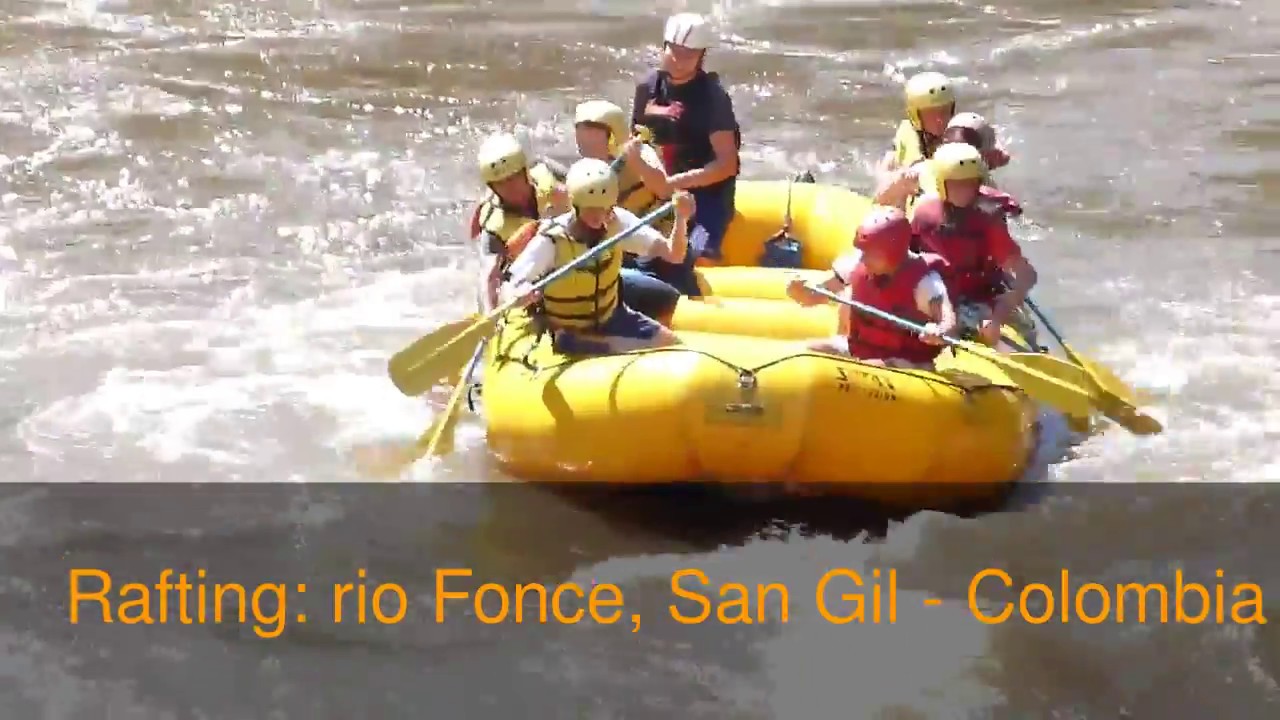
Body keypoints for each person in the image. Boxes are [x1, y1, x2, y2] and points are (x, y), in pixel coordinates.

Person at [500, 158, 696, 355]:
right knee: (626, 350)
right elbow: (510, 285)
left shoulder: (617, 224)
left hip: (614, 318)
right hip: (569, 328)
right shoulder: (551, 240)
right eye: (589, 208)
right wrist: (520, 292)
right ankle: (579, 344)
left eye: (602, 207)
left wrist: (681, 219)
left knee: (675, 348)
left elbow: (674, 255)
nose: (596, 215)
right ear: (575, 204)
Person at [630, 12, 741, 295]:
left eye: (688, 55)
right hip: (659, 186)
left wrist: (674, 184)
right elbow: (637, 143)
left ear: (701, 56)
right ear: (663, 47)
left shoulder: (712, 98)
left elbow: (727, 164)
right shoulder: (648, 88)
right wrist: (653, 178)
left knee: (693, 254)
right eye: (674, 52)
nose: (679, 61)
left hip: (707, 193)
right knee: (639, 252)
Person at [786, 206, 956, 370]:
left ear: (893, 252)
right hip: (860, 351)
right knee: (807, 352)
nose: (864, 259)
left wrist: (939, 331)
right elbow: (815, 296)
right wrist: (799, 292)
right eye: (864, 251)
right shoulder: (857, 262)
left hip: (905, 362)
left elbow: (949, 323)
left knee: (873, 367)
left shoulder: (925, 282)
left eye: (872, 253)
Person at [910, 143, 1039, 348]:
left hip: (983, 298)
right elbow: (906, 260)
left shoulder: (988, 219)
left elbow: (1027, 274)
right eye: (956, 184)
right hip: (943, 299)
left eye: (970, 183)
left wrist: (1000, 313)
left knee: (1026, 335)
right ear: (942, 184)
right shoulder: (925, 216)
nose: (965, 191)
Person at [573, 99, 683, 324]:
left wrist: (636, 162)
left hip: (655, 243)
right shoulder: (587, 170)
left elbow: (663, 189)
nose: (583, 143)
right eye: (581, 134)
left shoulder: (641, 153)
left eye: (590, 134)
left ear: (612, 136)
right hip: (620, 246)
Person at [873, 73, 1011, 211]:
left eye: (944, 111)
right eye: (931, 113)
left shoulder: (961, 129)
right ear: (915, 115)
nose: (939, 119)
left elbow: (1000, 151)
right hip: (919, 182)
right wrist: (898, 180)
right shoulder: (908, 134)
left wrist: (994, 154)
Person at [470, 132, 570, 311]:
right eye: (501, 183)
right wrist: (488, 315)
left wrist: (569, 195)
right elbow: (489, 278)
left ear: (525, 172)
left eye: (513, 178)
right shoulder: (494, 226)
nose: (510, 188)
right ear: (493, 188)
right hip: (535, 285)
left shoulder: (549, 174)